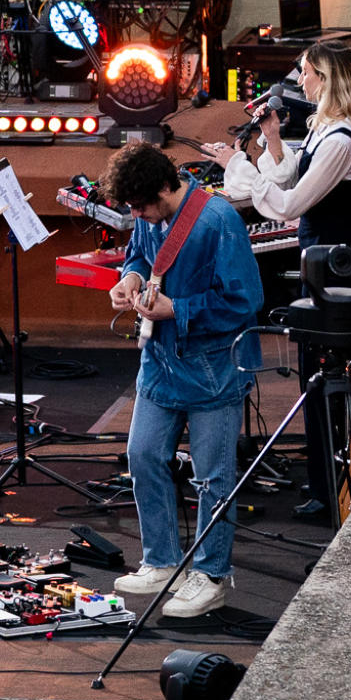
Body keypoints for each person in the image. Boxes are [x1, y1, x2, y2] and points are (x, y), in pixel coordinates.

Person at [103, 141, 262, 622]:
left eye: (139, 207)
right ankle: (163, 561)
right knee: (143, 455)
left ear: (161, 189)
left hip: (214, 368)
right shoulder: (151, 214)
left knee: (213, 478)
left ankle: (211, 576)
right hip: (162, 361)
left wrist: (178, 309)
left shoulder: (217, 221)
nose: (137, 216)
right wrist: (130, 279)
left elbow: (245, 301)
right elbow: (139, 255)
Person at [250, 39, 351, 271]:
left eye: (305, 72)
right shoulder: (322, 127)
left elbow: (290, 207)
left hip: (334, 259)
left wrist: (241, 171)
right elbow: (291, 181)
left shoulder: (338, 142)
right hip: (316, 253)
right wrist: (272, 136)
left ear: (325, 79)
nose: (299, 81)